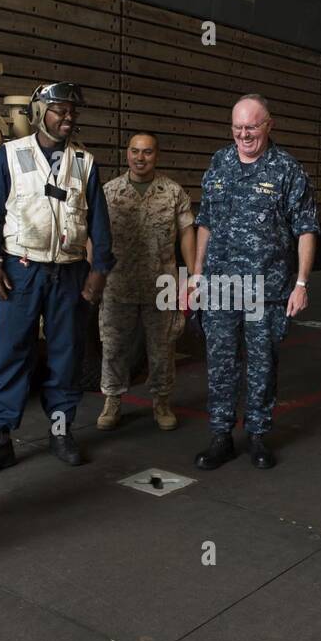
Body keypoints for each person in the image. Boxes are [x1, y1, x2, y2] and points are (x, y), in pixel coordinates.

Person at [0, 83, 114, 476]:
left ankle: (61, 432)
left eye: (72, 112)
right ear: (38, 113)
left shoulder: (85, 161)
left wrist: (99, 270)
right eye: (59, 110)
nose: (68, 117)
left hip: (70, 273)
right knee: (9, 353)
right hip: (21, 271)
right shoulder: (11, 156)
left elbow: (99, 221)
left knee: (66, 354)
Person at [192, 94, 319, 470]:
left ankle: (259, 435)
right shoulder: (219, 162)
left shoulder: (287, 170)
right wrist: (197, 273)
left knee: (263, 363)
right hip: (219, 285)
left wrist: (301, 283)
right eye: (237, 128)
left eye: (251, 127)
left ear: (269, 126)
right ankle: (220, 436)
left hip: (267, 287)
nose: (243, 135)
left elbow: (307, 229)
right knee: (220, 362)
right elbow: (205, 221)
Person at [96, 132, 196, 431]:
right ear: (127, 154)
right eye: (135, 151)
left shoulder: (172, 192)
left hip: (161, 285)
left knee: (163, 347)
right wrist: (93, 272)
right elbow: (96, 236)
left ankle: (162, 401)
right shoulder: (109, 192)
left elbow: (187, 232)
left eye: (147, 152)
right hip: (118, 284)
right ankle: (112, 401)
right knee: (113, 346)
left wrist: (191, 276)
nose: (141, 158)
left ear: (157, 155)